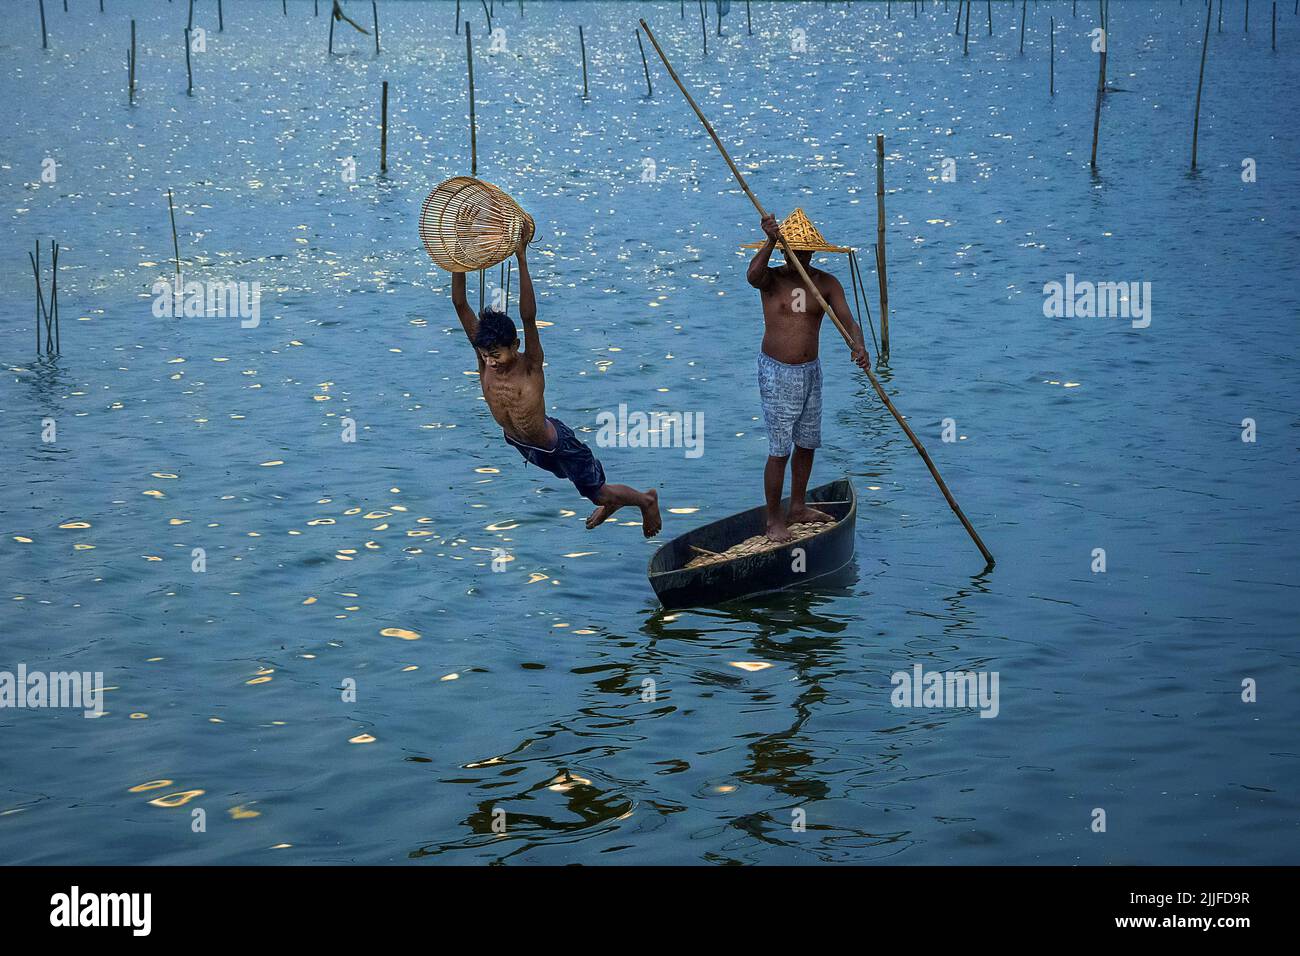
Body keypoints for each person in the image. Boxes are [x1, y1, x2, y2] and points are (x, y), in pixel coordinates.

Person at [451, 227, 662, 537]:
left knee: (598, 492)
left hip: (556, 444)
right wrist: (457, 251)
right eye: (485, 355)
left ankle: (645, 501)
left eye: (496, 354)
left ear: (516, 346)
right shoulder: (484, 359)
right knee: (579, 484)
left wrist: (521, 258)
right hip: (521, 443)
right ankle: (608, 498)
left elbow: (528, 317)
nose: (490, 361)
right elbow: (460, 304)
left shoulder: (531, 366)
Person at [745, 209, 870, 542]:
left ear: (813, 252)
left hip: (810, 372)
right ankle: (774, 520)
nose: (801, 256)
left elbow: (848, 321)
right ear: (786, 251)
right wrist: (771, 240)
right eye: (794, 251)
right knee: (780, 448)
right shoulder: (772, 280)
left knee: (807, 442)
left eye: (806, 251)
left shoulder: (825, 284)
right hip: (776, 372)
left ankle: (798, 506)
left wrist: (859, 345)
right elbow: (752, 276)